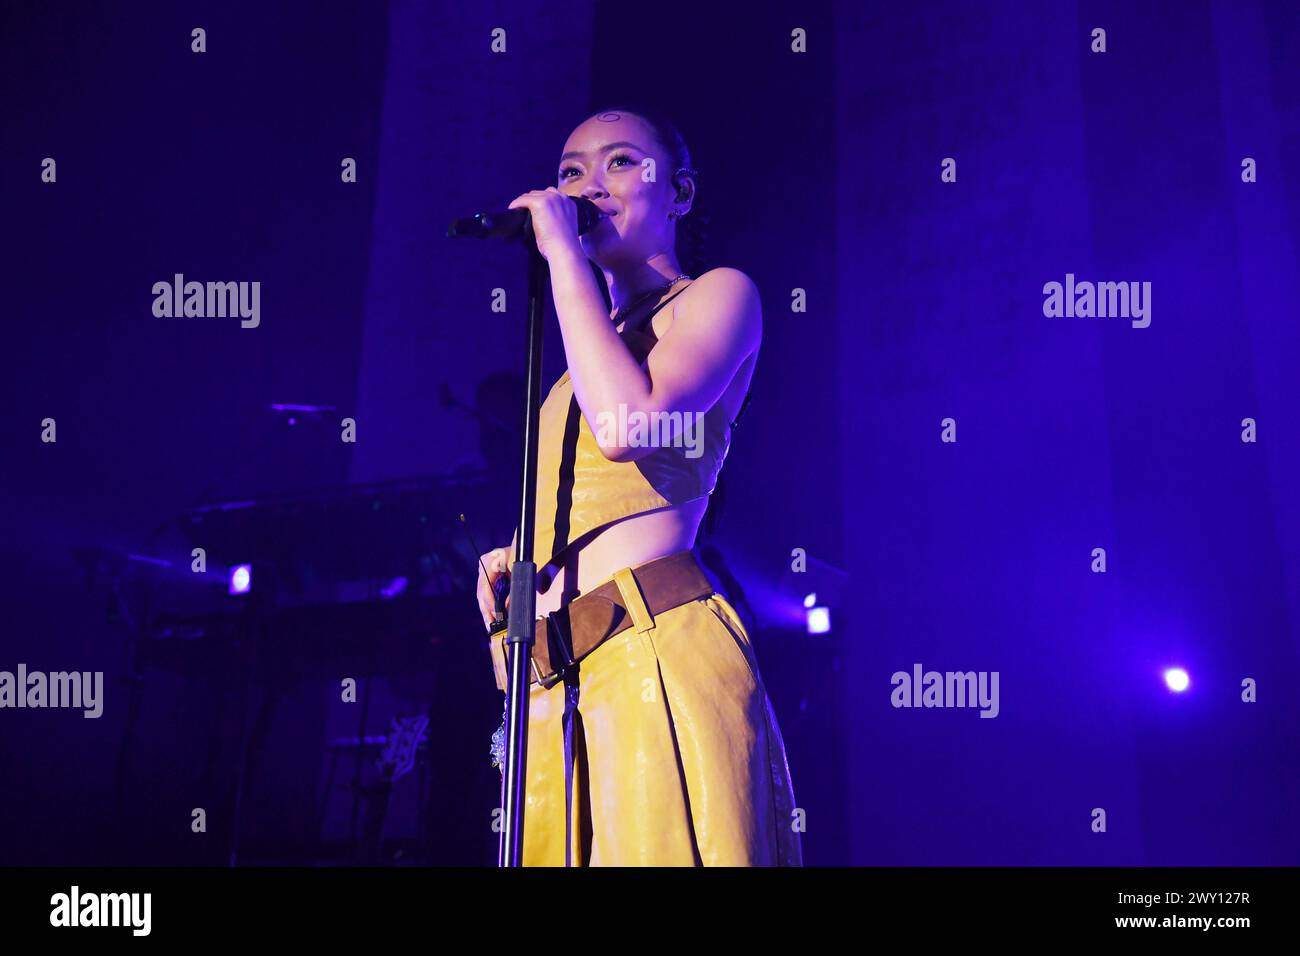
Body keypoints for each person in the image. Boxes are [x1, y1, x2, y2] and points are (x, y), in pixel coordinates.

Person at [476, 105, 801, 866]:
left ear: (679, 192)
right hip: (557, 684)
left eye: (620, 162)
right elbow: (596, 483)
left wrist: (561, 257)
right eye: (570, 173)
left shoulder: (718, 296)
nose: (591, 186)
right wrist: (518, 557)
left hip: (654, 656)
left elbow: (629, 426)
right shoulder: (575, 375)